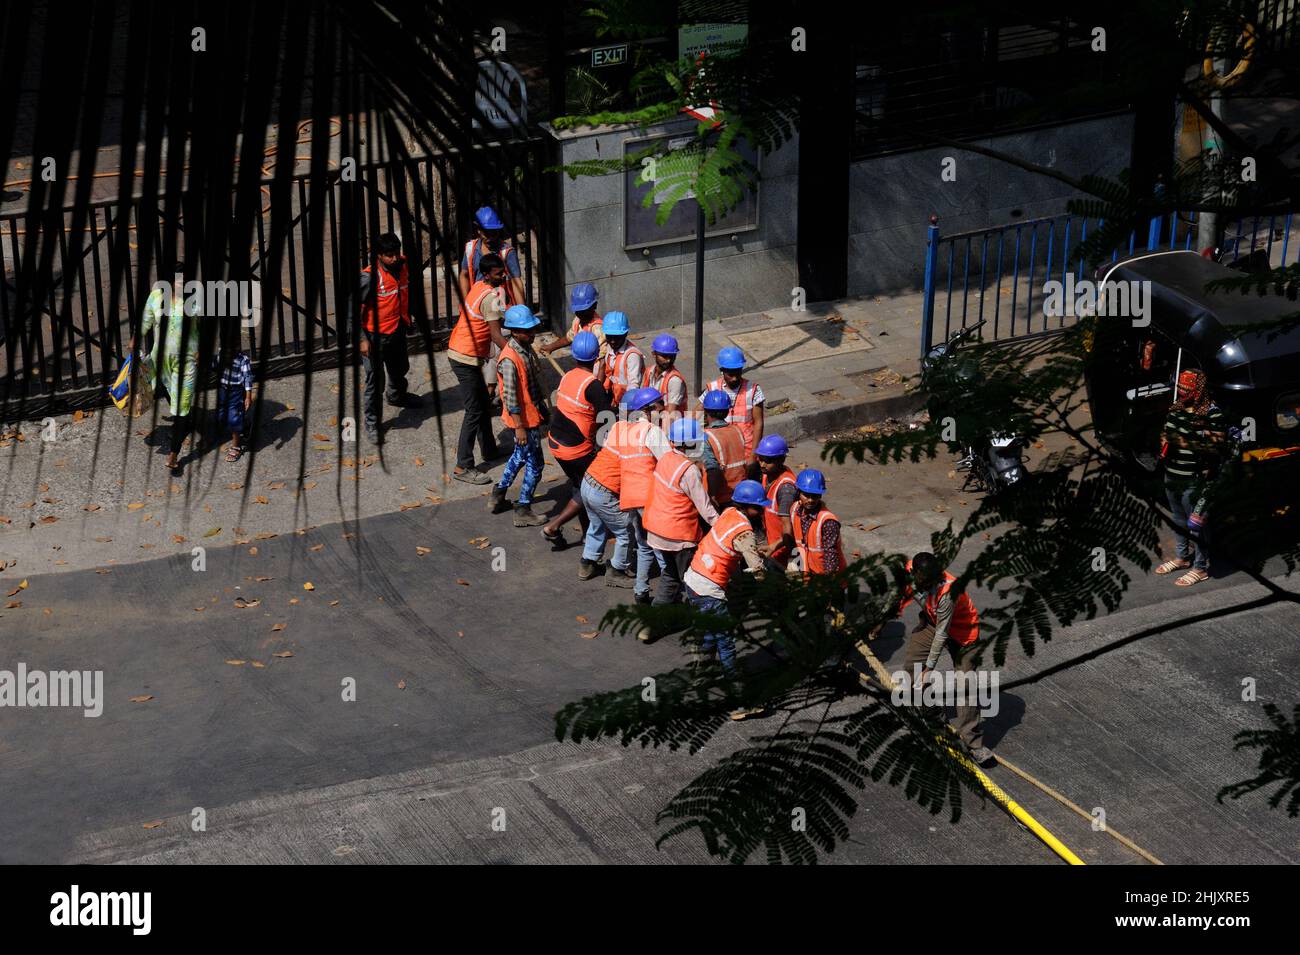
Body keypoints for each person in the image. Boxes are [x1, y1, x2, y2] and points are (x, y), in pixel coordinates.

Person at [890, 551, 993, 767]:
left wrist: (929, 668)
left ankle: (973, 743)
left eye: (932, 581)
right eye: (924, 581)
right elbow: (899, 596)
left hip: (963, 634)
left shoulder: (948, 592)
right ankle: (932, 713)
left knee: (967, 684)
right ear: (914, 573)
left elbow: (942, 634)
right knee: (911, 668)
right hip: (931, 621)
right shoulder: (909, 572)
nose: (928, 585)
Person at [683, 479, 769, 711]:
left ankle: (701, 677)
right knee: (727, 644)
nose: (761, 511)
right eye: (758, 507)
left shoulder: (729, 512)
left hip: (694, 580)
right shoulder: (744, 532)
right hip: (710, 589)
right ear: (747, 506)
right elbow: (757, 570)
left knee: (713, 633)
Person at [578, 387, 665, 582]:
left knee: (597, 523)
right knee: (626, 530)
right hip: (604, 490)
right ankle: (617, 570)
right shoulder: (640, 434)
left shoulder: (617, 426)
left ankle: (588, 562)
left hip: (588, 481)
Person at [128, 261, 202, 476]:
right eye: (178, 281)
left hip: (187, 363)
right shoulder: (156, 297)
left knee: (182, 406)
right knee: (168, 393)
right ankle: (185, 423)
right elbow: (146, 320)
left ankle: (173, 454)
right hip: (161, 361)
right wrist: (136, 338)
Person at [1155, 368, 1226, 587]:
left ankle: (1201, 567)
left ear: (1198, 390)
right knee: (1178, 519)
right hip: (1173, 475)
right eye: (1180, 388)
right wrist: (1164, 441)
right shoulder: (1176, 409)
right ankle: (1182, 558)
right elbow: (1166, 434)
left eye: (1186, 389)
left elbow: (1218, 444)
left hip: (1194, 479)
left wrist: (1185, 442)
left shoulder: (1211, 413)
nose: (1181, 393)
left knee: (1197, 525)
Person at [542, 331, 611, 547]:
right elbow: (607, 422)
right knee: (588, 487)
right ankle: (554, 526)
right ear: (596, 356)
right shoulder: (594, 386)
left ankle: (586, 532)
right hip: (575, 449)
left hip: (555, 443)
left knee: (579, 483)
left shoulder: (567, 377)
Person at [446, 252, 509, 483]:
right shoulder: (490, 297)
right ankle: (463, 466)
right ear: (486, 274)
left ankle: (490, 449)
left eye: (503, 272)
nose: (502, 276)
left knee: (482, 403)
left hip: (462, 352)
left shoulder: (478, 287)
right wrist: (513, 353)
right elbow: (495, 333)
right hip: (465, 357)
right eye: (498, 274)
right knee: (474, 411)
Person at [643, 417, 719, 608]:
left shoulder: (665, 459)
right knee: (694, 579)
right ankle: (702, 617)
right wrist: (723, 525)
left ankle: (655, 619)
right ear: (690, 442)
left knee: (671, 574)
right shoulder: (689, 470)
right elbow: (705, 508)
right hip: (678, 536)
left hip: (656, 532)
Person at [356, 233, 421, 445]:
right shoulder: (368, 278)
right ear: (378, 256)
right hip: (374, 337)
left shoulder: (403, 266)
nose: (394, 258)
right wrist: (362, 339)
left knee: (400, 367)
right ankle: (373, 423)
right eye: (389, 255)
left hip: (397, 330)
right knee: (375, 381)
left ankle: (397, 396)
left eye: (396, 254)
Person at [488, 305, 549, 527]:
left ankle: (499, 494)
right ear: (514, 332)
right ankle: (523, 508)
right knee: (536, 464)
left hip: (530, 415)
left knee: (519, 457)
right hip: (524, 420)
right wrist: (519, 426)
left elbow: (531, 384)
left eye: (533, 329)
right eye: (527, 331)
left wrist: (543, 406)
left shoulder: (524, 349)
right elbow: (511, 397)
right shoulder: (510, 359)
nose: (532, 333)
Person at [614, 388, 672, 608]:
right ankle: (670, 592)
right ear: (648, 410)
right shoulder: (651, 431)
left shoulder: (627, 431)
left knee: (644, 546)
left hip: (630, 498)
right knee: (661, 548)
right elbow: (668, 464)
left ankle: (640, 591)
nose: (664, 411)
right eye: (659, 407)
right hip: (649, 497)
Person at [698, 346, 765, 467]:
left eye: (738, 372)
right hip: (721, 450)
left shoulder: (754, 390)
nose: (735, 378)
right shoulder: (712, 388)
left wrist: (753, 456)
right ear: (722, 370)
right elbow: (696, 413)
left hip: (746, 450)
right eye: (730, 374)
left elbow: (759, 423)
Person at [459, 205, 524, 308]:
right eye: (487, 234)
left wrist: (522, 309)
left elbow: (516, 281)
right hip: (477, 303)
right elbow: (464, 275)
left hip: (499, 305)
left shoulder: (507, 252)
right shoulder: (470, 249)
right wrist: (465, 304)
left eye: (493, 233)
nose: (490, 238)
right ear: (478, 230)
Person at [788, 469, 846, 582]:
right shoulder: (794, 509)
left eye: (814, 496)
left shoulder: (828, 522)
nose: (810, 500)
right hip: (807, 573)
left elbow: (830, 556)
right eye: (806, 495)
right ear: (798, 492)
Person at [541, 283, 606, 381]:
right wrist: (551, 347)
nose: (581, 314)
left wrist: (599, 386)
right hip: (584, 369)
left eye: (584, 311)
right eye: (578, 311)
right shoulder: (577, 321)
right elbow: (568, 338)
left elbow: (603, 362)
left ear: (594, 306)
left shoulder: (598, 329)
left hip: (596, 372)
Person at [699, 388, 748, 506]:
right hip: (741, 492)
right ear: (727, 411)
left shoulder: (706, 436)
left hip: (722, 497)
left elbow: (713, 470)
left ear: (706, 411)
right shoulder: (737, 430)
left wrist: (712, 496)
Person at [755, 434, 798, 567]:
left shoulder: (786, 489)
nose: (762, 464)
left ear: (781, 460)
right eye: (760, 459)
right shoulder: (767, 475)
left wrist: (774, 546)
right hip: (775, 548)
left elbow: (788, 529)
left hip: (789, 552)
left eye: (767, 460)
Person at [216, 347, 254, 463]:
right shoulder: (221, 353)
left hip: (236, 391)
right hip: (223, 389)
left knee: (234, 418)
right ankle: (245, 423)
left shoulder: (243, 359)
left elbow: (247, 378)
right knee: (222, 415)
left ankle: (236, 447)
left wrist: (248, 396)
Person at [601, 311, 647, 406]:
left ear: (625, 334)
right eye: (609, 337)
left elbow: (633, 387)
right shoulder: (610, 348)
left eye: (617, 337)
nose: (613, 341)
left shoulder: (632, 356)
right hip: (616, 400)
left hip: (630, 404)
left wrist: (624, 410)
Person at [647, 334, 687, 423]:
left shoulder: (675, 381)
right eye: (664, 356)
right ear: (654, 354)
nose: (668, 360)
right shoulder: (649, 372)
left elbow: (671, 415)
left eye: (672, 356)